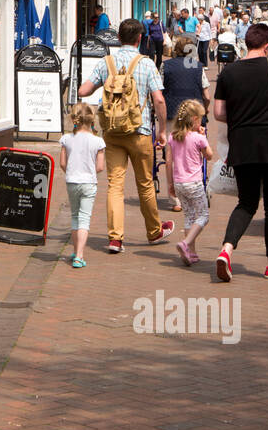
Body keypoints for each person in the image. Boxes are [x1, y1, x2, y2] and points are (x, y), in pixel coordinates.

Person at [212, 22, 268, 281]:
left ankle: (226, 249)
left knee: (246, 203)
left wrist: (242, 116)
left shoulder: (228, 73)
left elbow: (219, 113)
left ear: (247, 43)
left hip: (242, 143)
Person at [77, 18, 175, 253]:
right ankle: (154, 231)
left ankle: (115, 238)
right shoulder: (146, 63)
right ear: (140, 38)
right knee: (145, 184)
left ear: (119, 38)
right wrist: (162, 130)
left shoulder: (106, 62)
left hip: (112, 132)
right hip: (139, 132)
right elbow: (159, 100)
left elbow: (83, 90)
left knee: (115, 185)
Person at [160, 35, 210, 212]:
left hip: (172, 113)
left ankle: (175, 198)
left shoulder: (166, 66)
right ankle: (194, 188)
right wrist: (206, 109)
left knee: (170, 155)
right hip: (194, 115)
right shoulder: (198, 67)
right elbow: (207, 95)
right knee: (195, 151)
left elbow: (160, 90)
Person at [59, 103, 106, 269]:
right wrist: (89, 172)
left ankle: (75, 250)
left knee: (74, 217)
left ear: (74, 119)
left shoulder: (67, 139)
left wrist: (72, 172)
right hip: (89, 182)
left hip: (72, 181)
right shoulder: (98, 141)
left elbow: (62, 163)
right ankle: (79, 256)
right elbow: (100, 167)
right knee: (84, 218)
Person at [166, 99, 213, 267]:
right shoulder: (197, 138)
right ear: (194, 119)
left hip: (179, 183)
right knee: (203, 216)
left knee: (189, 216)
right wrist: (203, 136)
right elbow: (209, 155)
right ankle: (186, 243)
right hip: (194, 183)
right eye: (200, 118)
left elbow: (168, 162)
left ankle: (191, 252)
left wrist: (170, 184)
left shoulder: (172, 137)